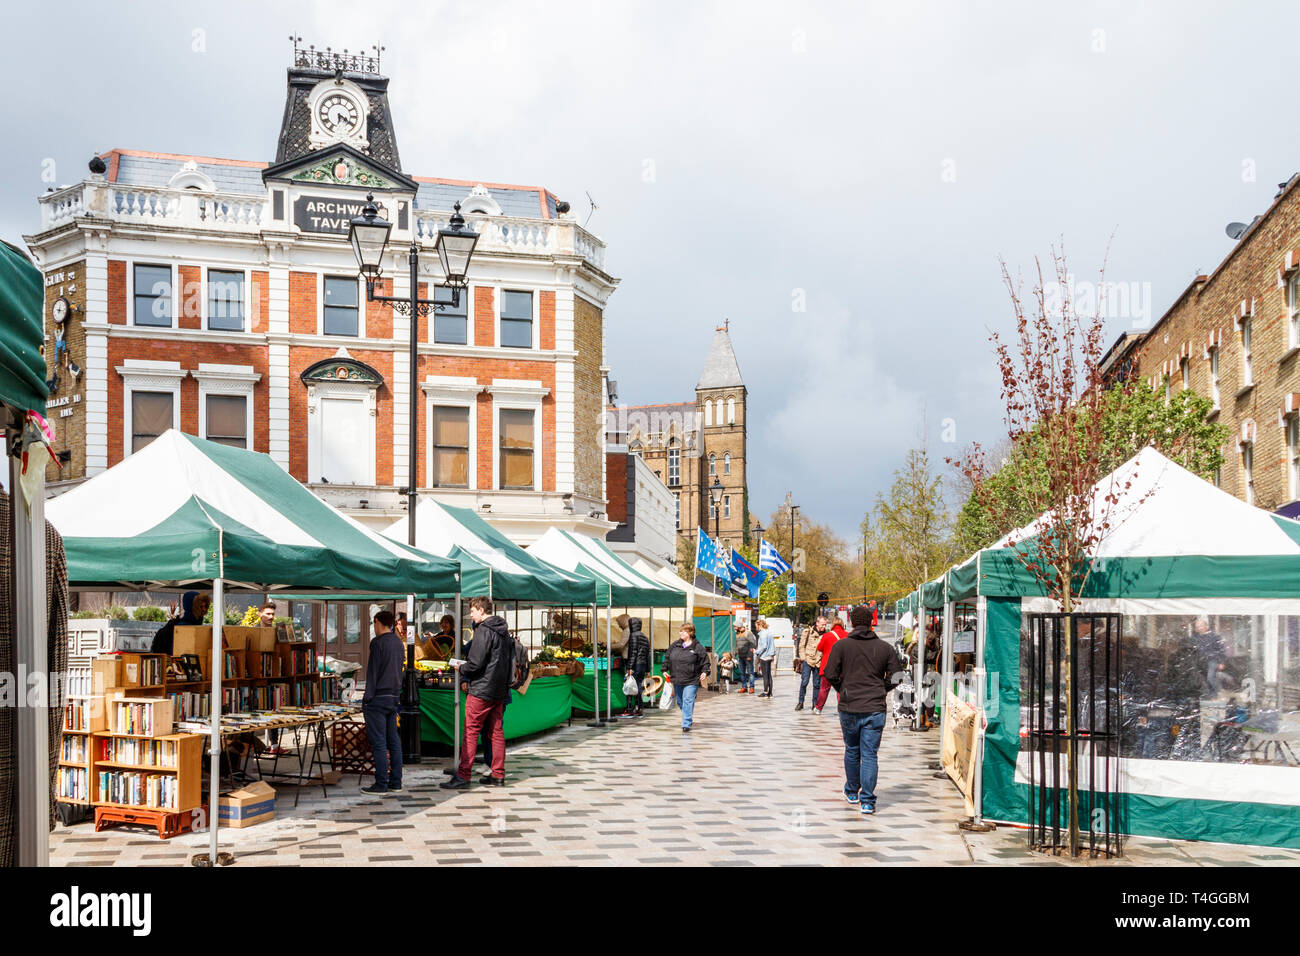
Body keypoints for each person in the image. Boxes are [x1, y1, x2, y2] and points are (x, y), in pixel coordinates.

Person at [822, 605, 908, 815]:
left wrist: (843, 689)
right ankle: (867, 801)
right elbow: (897, 675)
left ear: (851, 622)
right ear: (871, 623)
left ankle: (852, 791)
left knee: (852, 750)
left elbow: (829, 673)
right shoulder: (884, 648)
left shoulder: (842, 646)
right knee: (869, 754)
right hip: (874, 706)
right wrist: (882, 688)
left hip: (850, 705)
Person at [442, 597, 513, 788]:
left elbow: (475, 663)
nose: (471, 615)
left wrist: (460, 668)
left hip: (481, 690)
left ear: (481, 610)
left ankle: (463, 776)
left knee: (471, 732)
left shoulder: (484, 631)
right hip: (499, 691)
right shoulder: (504, 632)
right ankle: (498, 775)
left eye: (472, 611)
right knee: (496, 733)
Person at [361, 610, 404, 795]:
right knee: (393, 740)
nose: (374, 627)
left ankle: (381, 783)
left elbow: (373, 672)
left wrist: (367, 697)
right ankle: (396, 781)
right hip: (393, 696)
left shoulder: (377, 643)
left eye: (374, 624)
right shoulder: (397, 642)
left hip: (377, 698)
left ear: (378, 622)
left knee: (379, 742)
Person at [663, 623, 709, 732]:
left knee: (688, 700)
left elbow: (705, 661)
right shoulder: (675, 645)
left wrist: (705, 672)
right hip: (677, 678)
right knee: (680, 701)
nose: (681, 633)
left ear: (690, 633)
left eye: (683, 631)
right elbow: (667, 657)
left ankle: (686, 723)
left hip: (691, 679)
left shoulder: (697, 647)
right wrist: (664, 669)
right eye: (680, 631)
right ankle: (687, 715)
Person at [150, 590, 210, 655]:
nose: (204, 609)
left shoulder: (195, 626)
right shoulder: (183, 627)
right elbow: (177, 654)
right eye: (201, 606)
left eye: (205, 606)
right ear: (191, 607)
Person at [812, 617, 848, 714]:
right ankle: (841, 710)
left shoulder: (827, 635)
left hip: (827, 667)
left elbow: (819, 648)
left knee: (824, 689)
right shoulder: (848, 635)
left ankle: (818, 708)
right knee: (840, 689)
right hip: (842, 667)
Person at [796, 618, 827, 711]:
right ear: (817, 623)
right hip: (807, 659)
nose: (824, 626)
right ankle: (800, 702)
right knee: (804, 682)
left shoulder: (825, 635)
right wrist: (802, 657)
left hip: (818, 661)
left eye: (825, 625)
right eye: (822, 624)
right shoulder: (808, 632)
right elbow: (801, 645)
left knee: (817, 684)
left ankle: (815, 703)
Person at [623, 616, 650, 717]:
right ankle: (639, 707)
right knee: (638, 685)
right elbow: (647, 655)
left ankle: (630, 708)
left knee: (630, 685)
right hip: (642, 665)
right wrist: (647, 669)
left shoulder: (633, 635)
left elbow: (633, 652)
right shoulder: (644, 637)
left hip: (635, 664)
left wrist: (630, 667)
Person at [755, 619, 775, 697]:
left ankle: (765, 692)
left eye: (756, 626)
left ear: (760, 625)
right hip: (770, 655)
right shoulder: (769, 632)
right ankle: (770, 692)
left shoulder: (763, 634)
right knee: (769, 674)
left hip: (765, 656)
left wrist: (756, 651)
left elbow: (764, 646)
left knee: (765, 675)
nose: (756, 628)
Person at [734, 623, 757, 694]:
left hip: (748, 657)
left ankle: (752, 687)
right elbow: (736, 645)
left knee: (750, 673)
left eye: (735, 626)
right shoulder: (737, 634)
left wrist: (749, 656)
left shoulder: (748, 633)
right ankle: (744, 687)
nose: (734, 628)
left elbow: (752, 645)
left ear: (739, 626)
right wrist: (734, 655)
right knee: (742, 673)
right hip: (740, 657)